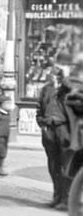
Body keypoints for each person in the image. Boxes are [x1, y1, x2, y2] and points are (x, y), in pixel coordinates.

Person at [37, 62, 70, 207]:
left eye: (58, 73)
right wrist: (42, 123)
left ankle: (66, 199)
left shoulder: (69, 90)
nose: (54, 76)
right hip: (49, 129)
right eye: (53, 73)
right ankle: (57, 196)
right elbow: (39, 108)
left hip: (64, 129)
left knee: (66, 164)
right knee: (53, 164)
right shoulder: (46, 89)